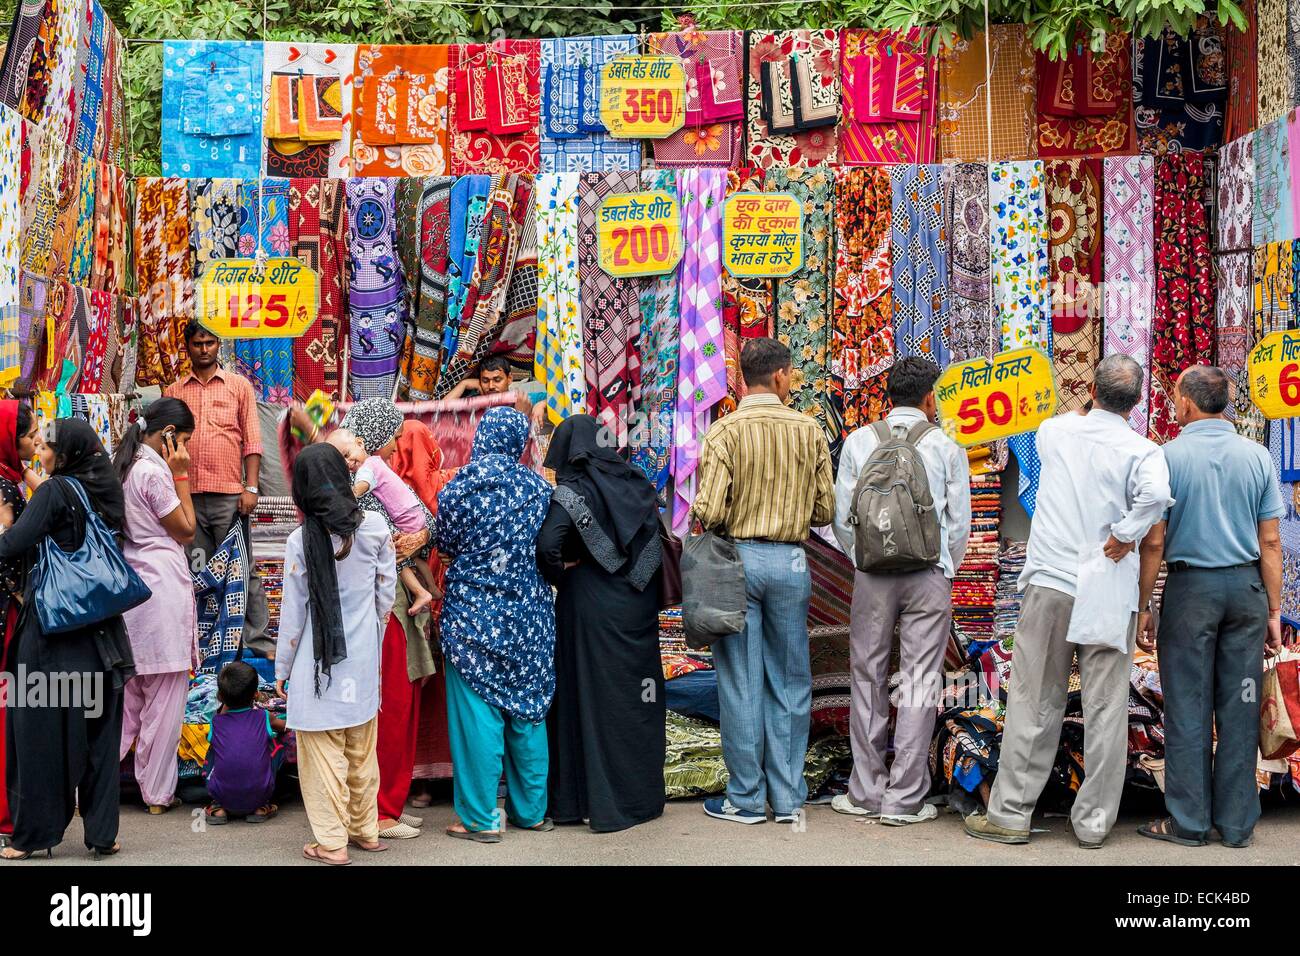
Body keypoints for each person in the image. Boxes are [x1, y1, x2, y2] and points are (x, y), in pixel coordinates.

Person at [965, 355, 1172, 849]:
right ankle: (1095, 823)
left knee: (1035, 698)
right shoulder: (1144, 451)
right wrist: (1125, 534)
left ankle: (1012, 813)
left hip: (1053, 580)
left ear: (1090, 390)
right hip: (1109, 586)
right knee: (1105, 705)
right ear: (1138, 402)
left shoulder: (1054, 433)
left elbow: (1076, 424)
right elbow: (1158, 496)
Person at [1135, 366, 1285, 849]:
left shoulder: (1167, 457)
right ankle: (1238, 824)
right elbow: (1270, 541)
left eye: (1175, 395)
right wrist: (1273, 612)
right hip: (1245, 595)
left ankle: (1189, 822)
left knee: (1187, 706)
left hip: (1190, 596)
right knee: (1241, 703)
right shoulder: (1258, 456)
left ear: (1186, 404)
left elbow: (1155, 542)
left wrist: (1144, 604)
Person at [691, 338, 835, 825]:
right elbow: (825, 510)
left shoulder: (724, 431)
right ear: (778, 377)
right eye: (791, 376)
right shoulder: (809, 429)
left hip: (738, 562)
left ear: (742, 379)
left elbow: (707, 510)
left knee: (740, 682)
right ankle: (789, 796)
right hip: (791, 564)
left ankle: (747, 799)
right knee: (792, 681)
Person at [830, 357, 971, 826]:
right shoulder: (947, 445)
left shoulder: (858, 440)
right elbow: (960, 524)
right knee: (919, 681)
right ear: (931, 397)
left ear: (889, 395)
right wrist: (943, 566)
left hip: (872, 576)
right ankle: (905, 798)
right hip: (928, 575)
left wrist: (865, 558)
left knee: (867, 676)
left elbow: (841, 517)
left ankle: (866, 791)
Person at [0, 419, 135, 861]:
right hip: (101, 637)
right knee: (99, 736)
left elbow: (14, 543)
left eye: (45, 446)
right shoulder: (105, 490)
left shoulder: (57, 491)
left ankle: (31, 836)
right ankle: (102, 835)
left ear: (65, 452)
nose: (39, 453)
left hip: (53, 634)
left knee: (39, 735)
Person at [537, 414, 666, 832]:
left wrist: (566, 576)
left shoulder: (571, 493)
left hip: (588, 606)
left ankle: (581, 801)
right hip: (636, 606)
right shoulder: (635, 483)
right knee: (633, 698)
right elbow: (653, 546)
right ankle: (637, 797)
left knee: (586, 698)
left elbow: (547, 547)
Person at [436, 407, 555, 842]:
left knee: (478, 716)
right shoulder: (540, 490)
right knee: (528, 710)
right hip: (529, 616)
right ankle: (531, 812)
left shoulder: (459, 487)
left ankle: (483, 819)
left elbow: (445, 542)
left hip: (472, 616)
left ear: (481, 437)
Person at [275, 444, 396, 865]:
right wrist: (372, 638)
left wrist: (282, 668)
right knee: (361, 745)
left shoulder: (300, 540)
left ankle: (332, 843)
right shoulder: (376, 527)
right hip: (362, 656)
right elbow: (386, 596)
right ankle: (365, 830)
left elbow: (294, 611)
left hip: (317, 662)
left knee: (321, 752)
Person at [113, 398, 199, 815]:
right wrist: (181, 476)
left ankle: (88, 785)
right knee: (164, 702)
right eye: (181, 440)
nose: (184, 448)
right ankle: (157, 793)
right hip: (160, 590)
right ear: (167, 435)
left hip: (132, 592)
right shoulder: (154, 473)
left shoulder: (126, 466)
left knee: (127, 700)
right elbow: (185, 529)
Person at [164, 321, 271, 656]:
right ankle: (203, 640)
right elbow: (165, 445)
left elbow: (252, 441)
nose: (204, 349)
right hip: (188, 494)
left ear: (218, 344)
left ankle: (256, 641)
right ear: (188, 347)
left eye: (210, 342)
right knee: (198, 567)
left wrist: (250, 487)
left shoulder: (239, 387)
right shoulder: (174, 391)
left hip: (229, 495)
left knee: (243, 567)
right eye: (198, 343)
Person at [327, 426, 436, 614]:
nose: (395, 447)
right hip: (413, 515)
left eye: (347, 455)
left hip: (404, 520)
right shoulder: (377, 464)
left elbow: (362, 485)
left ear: (361, 442)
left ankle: (420, 592)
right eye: (393, 437)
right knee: (412, 556)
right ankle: (431, 588)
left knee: (396, 552)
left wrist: (348, 495)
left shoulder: (365, 470)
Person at [0, 401, 42, 841]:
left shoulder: (12, 480)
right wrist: (21, 596)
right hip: (9, 614)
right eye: (29, 436)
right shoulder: (5, 488)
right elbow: (5, 549)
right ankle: (8, 813)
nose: (36, 443)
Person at [204, 661, 284, 824]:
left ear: (220, 697)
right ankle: (261, 807)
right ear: (255, 694)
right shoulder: (264, 717)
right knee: (278, 746)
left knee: (213, 749)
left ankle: (218, 808)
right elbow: (286, 727)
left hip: (222, 794)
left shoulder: (216, 722)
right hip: (259, 794)